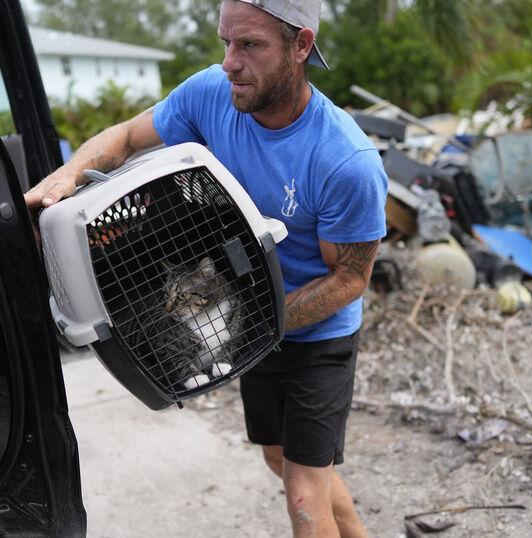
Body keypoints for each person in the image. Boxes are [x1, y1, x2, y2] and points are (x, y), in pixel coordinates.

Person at [25, 1, 387, 535]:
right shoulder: (209, 94)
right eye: (226, 43)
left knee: (305, 495)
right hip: (251, 321)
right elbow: (126, 137)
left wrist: (265, 321)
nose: (230, 63)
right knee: (281, 458)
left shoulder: (345, 162)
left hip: (317, 335)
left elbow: (350, 280)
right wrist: (68, 175)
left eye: (251, 46)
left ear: (302, 46)